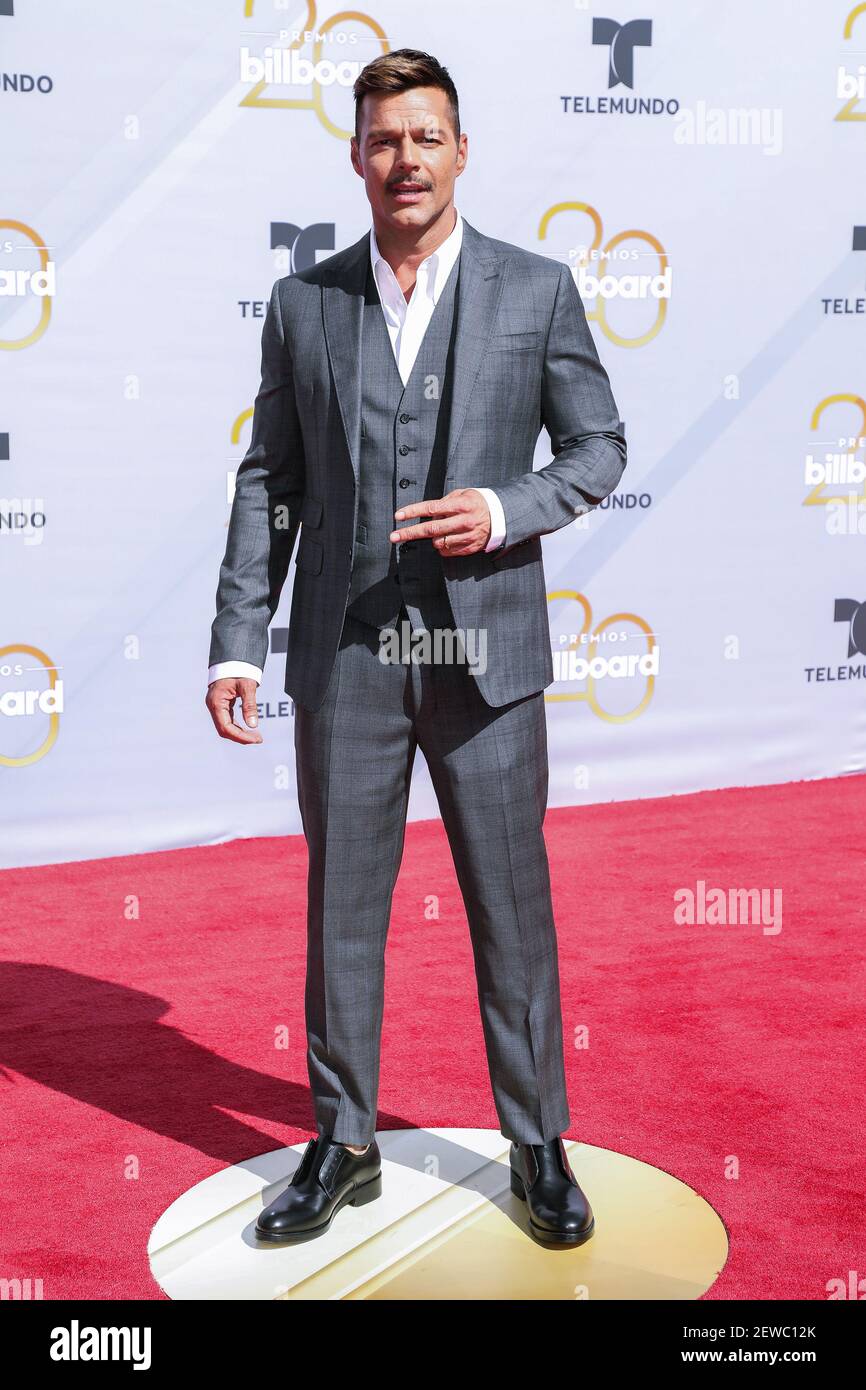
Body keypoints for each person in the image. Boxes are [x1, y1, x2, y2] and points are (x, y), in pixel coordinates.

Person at [206, 48, 626, 1247]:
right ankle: (343, 1142)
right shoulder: (307, 303)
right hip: (347, 658)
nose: (405, 159)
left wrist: (503, 510)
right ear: (354, 155)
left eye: (425, 137)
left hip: (486, 659)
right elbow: (268, 481)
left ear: (458, 150)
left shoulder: (535, 288)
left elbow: (596, 449)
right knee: (342, 907)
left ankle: (536, 1139)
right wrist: (238, 640)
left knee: (510, 904)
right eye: (383, 139)